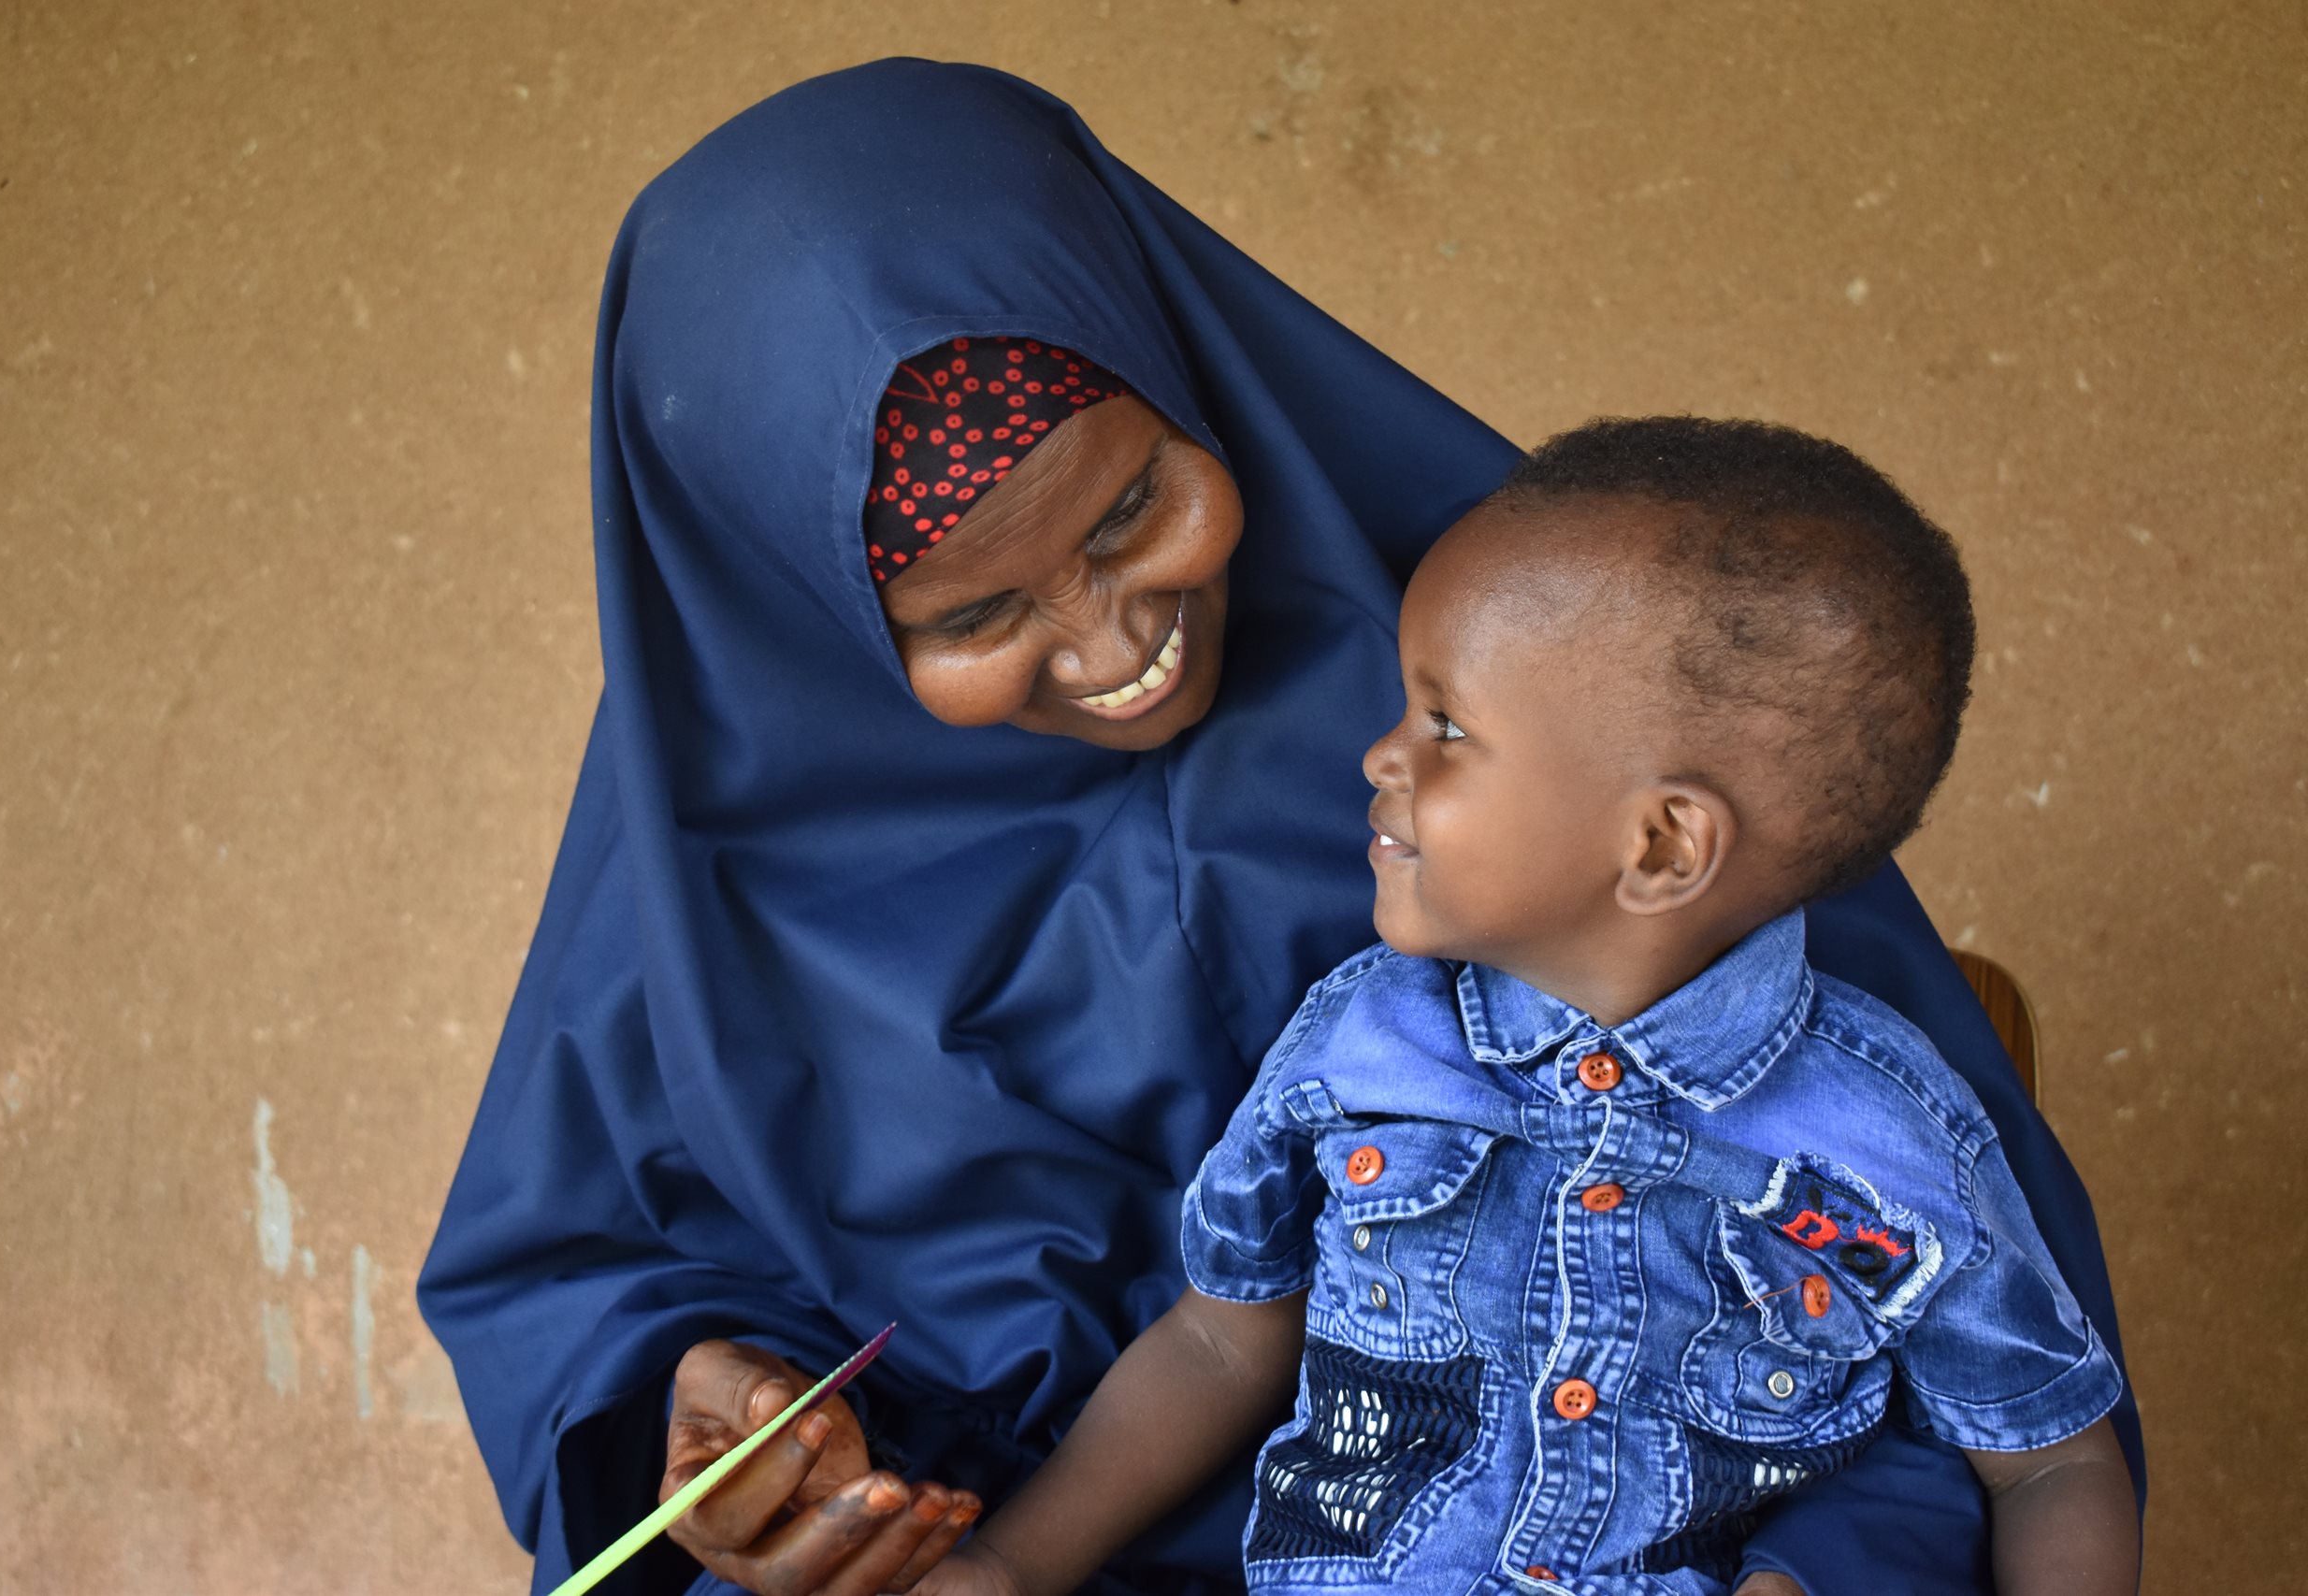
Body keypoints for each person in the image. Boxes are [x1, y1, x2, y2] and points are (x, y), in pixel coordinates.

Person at [416, 59, 2142, 1596]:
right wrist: (722, 1419)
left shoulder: (1565, 663)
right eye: (967, 623)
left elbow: (1967, 1366)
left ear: (1175, 359)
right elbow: (586, 1274)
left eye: (1133, 511)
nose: (1111, 648)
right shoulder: (711, 853)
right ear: (794, 610)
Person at [903, 418, 2140, 1596]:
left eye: (1445, 725)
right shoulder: (1357, 1047)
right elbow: (1220, 1343)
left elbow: (2053, 1462)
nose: (1383, 757)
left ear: (1661, 846)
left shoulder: (1891, 1142)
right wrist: (1011, 1570)